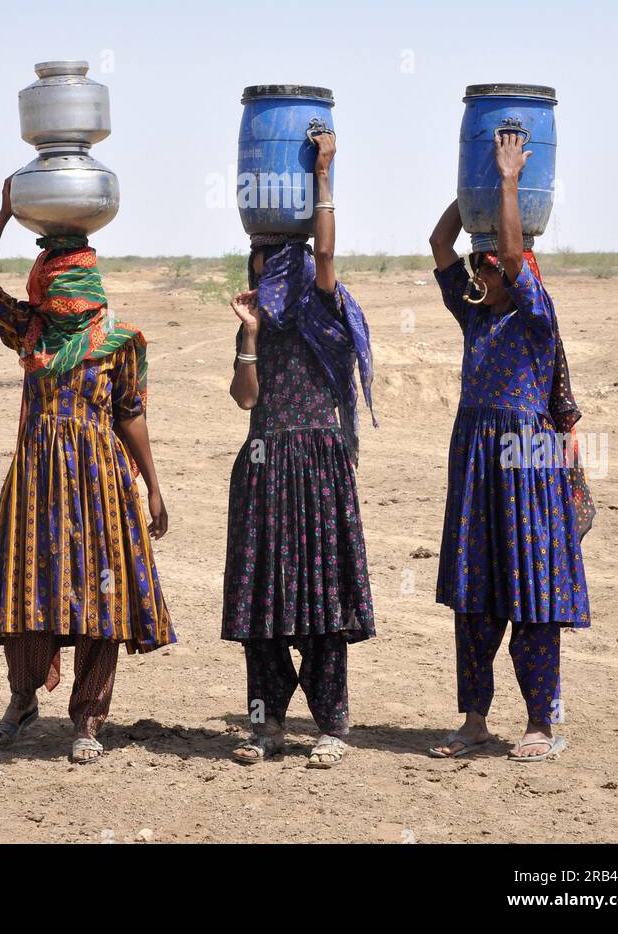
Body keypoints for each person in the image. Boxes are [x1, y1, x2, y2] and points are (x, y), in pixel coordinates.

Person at [0, 176, 175, 763]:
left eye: (72, 288)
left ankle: (88, 721)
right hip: (35, 483)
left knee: (99, 601)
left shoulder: (120, 343)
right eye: (54, 286)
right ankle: (21, 700)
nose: (66, 301)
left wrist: (153, 488)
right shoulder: (28, 329)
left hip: (100, 486)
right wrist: (5, 213)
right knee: (26, 593)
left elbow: (131, 415)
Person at [428, 131, 590, 762]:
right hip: (476, 460)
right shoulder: (475, 315)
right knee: (474, 594)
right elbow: (440, 244)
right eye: (478, 269)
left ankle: (542, 724)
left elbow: (518, 257)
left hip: (527, 461)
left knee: (532, 591)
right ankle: (474, 720)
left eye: (485, 268)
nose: (475, 276)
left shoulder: (534, 310)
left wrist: (507, 183)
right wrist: (470, 194)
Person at [223, 130, 377, 768]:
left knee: (320, 604)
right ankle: (266, 727)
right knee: (263, 608)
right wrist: (251, 334)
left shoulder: (320, 304)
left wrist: (323, 172)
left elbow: (326, 251)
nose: (256, 267)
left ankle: (333, 728)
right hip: (263, 466)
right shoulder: (253, 320)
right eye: (254, 257)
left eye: (266, 258)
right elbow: (243, 397)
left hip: (316, 466)